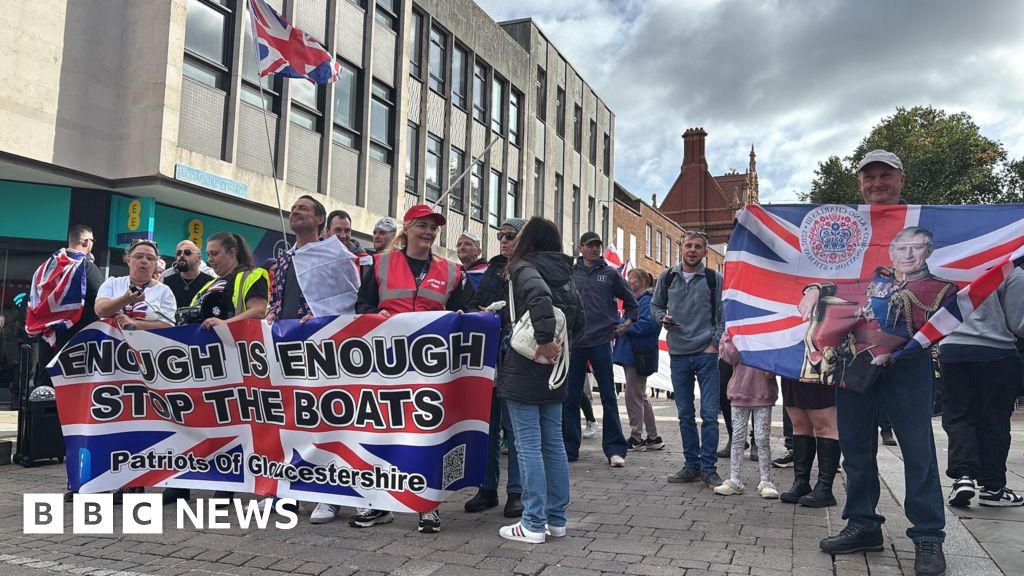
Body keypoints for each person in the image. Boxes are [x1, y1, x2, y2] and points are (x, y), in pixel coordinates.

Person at [808, 150, 948, 576]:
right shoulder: (847, 233)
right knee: (855, 446)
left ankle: (927, 535)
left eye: (885, 175)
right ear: (860, 185)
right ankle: (862, 524)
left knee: (917, 448)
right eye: (869, 177)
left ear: (901, 179)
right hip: (853, 358)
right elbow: (814, 271)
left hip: (908, 358)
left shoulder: (925, 225)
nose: (876, 183)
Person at [352, 204, 467, 534]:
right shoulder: (379, 264)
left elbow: (466, 311)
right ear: (408, 228)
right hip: (387, 363)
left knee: (428, 435)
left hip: (433, 368)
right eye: (423, 226)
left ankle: (426, 505)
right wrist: (378, 318)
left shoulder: (452, 271)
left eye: (434, 228)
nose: (429, 232)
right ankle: (377, 504)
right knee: (380, 432)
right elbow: (363, 307)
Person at [162, 232, 269, 504]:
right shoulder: (211, 283)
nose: (211, 259)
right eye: (208, 255)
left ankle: (226, 485)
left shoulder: (252, 275)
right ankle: (183, 480)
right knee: (194, 420)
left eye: (215, 254)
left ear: (233, 252)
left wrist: (227, 326)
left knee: (230, 422)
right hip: (203, 363)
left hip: (234, 359)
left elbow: (258, 310)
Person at [497, 217, 584, 543]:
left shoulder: (523, 266)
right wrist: (559, 347)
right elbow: (581, 318)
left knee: (528, 445)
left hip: (527, 362)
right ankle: (556, 519)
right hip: (555, 368)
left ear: (527, 239)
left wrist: (545, 339)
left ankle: (533, 522)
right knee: (553, 445)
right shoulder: (566, 272)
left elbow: (537, 295)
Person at [26, 225, 104, 502]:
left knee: (68, 420)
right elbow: (101, 306)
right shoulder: (85, 269)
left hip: (51, 352)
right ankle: (86, 479)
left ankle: (75, 481)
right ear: (85, 242)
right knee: (87, 420)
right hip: (81, 354)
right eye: (92, 242)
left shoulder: (44, 269)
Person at [940, 267, 1024, 508]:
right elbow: (1019, 323)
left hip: (953, 350)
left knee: (958, 416)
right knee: (994, 420)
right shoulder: (1010, 273)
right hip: (998, 353)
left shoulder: (950, 267)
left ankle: (962, 477)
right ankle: (993, 487)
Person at [650, 231, 724, 488]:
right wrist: (662, 319)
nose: (692, 250)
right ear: (681, 249)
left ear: (706, 252)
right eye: (688, 245)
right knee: (684, 414)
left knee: (710, 415)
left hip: (706, 354)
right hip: (679, 354)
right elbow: (655, 306)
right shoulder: (667, 277)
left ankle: (709, 468)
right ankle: (691, 466)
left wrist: (714, 344)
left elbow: (724, 316)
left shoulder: (715, 279)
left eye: (698, 247)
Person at [464, 218, 526, 518]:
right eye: (500, 235)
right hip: (490, 354)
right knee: (487, 425)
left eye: (510, 236)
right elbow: (478, 302)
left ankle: (516, 491)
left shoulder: (530, 269)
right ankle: (487, 487)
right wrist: (481, 312)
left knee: (514, 428)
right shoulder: (493, 268)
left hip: (518, 355)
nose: (503, 240)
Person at [563, 232, 637, 467]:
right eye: (590, 246)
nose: (594, 250)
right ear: (580, 247)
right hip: (573, 342)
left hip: (601, 341)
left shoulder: (610, 274)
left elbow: (632, 304)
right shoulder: (569, 273)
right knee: (570, 398)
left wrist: (626, 324)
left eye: (598, 246)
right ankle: (568, 448)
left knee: (608, 396)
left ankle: (615, 450)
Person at [713, 334, 778, 499]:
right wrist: (732, 335)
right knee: (737, 438)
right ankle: (734, 479)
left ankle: (766, 480)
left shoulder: (768, 329)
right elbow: (729, 357)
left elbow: (775, 358)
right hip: (740, 392)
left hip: (763, 392)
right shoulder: (732, 330)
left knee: (763, 438)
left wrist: (771, 366)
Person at [611, 268, 664, 451]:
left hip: (636, 354)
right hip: (636, 354)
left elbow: (648, 325)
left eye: (631, 279)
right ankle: (652, 436)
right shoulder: (643, 301)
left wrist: (624, 327)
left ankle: (636, 437)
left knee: (633, 396)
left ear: (641, 281)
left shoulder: (647, 301)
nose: (628, 282)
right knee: (640, 396)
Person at [777, 376, 838, 508]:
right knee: (799, 424)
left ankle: (825, 487)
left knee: (824, 426)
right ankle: (801, 482)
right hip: (792, 365)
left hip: (819, 366)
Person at [266, 195, 327, 323]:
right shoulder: (282, 261)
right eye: (293, 208)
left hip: (317, 335)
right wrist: (272, 314)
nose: (295, 212)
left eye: (303, 208)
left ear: (320, 219)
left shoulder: (331, 257)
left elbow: (342, 300)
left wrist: (319, 317)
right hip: (284, 336)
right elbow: (275, 300)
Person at [95, 239, 177, 332]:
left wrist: (135, 324)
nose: (144, 261)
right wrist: (126, 299)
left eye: (150, 258)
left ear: (155, 264)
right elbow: (100, 311)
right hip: (111, 344)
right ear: (128, 260)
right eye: (139, 256)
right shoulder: (112, 283)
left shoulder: (164, 291)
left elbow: (169, 325)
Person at [163, 240, 215, 309]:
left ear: (199, 258)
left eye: (187, 253)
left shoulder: (210, 283)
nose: (181, 255)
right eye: (179, 253)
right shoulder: (166, 282)